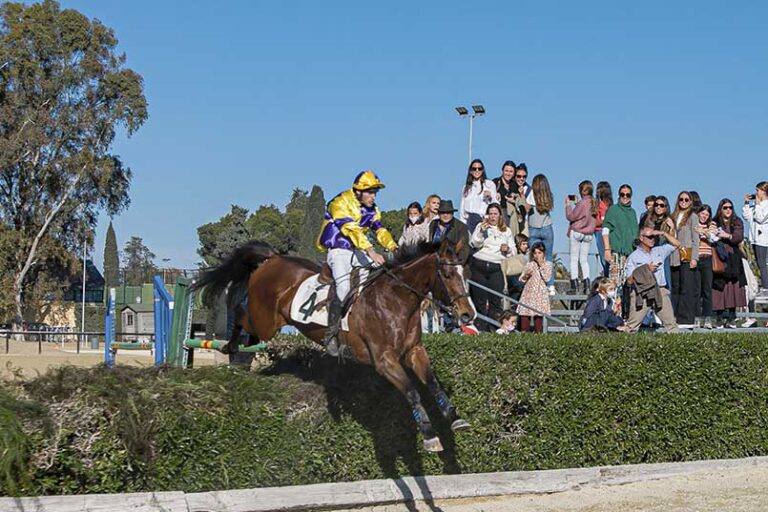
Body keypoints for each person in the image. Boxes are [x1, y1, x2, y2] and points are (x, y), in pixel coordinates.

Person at [316, 171, 397, 356]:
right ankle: (330, 335)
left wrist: (394, 247)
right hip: (338, 249)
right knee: (344, 289)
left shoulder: (372, 209)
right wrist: (371, 251)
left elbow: (380, 229)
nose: (373, 196)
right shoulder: (340, 202)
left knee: (377, 271)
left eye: (375, 192)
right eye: (369, 192)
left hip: (356, 250)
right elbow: (351, 230)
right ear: (358, 191)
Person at [624, 227, 681, 332]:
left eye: (654, 237)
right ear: (641, 238)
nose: (652, 239)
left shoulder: (660, 250)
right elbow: (629, 280)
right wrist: (645, 269)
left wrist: (663, 233)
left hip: (660, 289)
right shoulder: (633, 257)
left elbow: (677, 244)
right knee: (632, 326)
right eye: (650, 237)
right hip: (642, 292)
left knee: (671, 325)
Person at [470, 203, 515, 331]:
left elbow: (514, 251)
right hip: (479, 264)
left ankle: (493, 328)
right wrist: (481, 232)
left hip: (496, 267)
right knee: (480, 300)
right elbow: (474, 243)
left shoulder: (506, 231)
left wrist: (507, 249)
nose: (492, 216)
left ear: (500, 215)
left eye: (495, 214)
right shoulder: (481, 226)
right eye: (490, 213)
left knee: (495, 299)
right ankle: (480, 328)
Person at [602, 184, 638, 311]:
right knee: (613, 285)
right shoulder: (613, 210)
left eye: (628, 195)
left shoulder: (632, 213)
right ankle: (611, 313)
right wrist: (607, 250)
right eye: (622, 194)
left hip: (630, 255)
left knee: (627, 285)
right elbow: (605, 229)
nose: (625, 197)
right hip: (616, 253)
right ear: (619, 195)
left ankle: (624, 314)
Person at [712, 198, 747, 328]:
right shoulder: (714, 222)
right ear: (720, 209)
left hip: (734, 258)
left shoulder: (737, 222)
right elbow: (711, 235)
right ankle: (719, 318)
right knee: (718, 288)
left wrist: (726, 235)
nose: (728, 210)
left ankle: (732, 318)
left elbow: (738, 237)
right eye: (725, 207)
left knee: (733, 288)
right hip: (719, 258)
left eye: (730, 207)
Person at [669, 191, 700, 328]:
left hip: (687, 255)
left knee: (687, 287)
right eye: (681, 199)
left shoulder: (693, 217)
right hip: (674, 255)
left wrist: (694, 258)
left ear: (690, 202)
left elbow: (696, 239)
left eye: (686, 200)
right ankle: (674, 316)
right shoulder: (673, 216)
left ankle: (686, 319)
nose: (683, 202)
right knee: (676, 287)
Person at [526, 174, 556, 294]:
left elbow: (527, 207)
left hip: (533, 228)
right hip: (547, 227)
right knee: (548, 257)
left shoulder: (531, 194)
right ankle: (551, 285)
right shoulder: (548, 196)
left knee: (535, 257)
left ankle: (536, 283)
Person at [565, 180, 597, 294]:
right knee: (584, 260)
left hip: (577, 231)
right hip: (588, 234)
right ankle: (587, 284)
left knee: (574, 260)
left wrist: (568, 205)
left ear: (582, 191)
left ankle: (574, 286)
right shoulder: (594, 202)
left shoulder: (582, 203)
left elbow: (571, 216)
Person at [518, 242, 552, 333]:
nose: (537, 255)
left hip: (540, 295)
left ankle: (539, 340)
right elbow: (521, 279)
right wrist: (526, 275)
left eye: (539, 253)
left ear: (544, 253)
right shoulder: (530, 264)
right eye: (535, 253)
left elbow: (547, 278)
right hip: (528, 294)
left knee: (539, 320)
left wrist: (541, 265)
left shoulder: (548, 264)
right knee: (525, 317)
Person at [742, 181, 768, 296]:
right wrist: (747, 203)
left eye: (758, 190)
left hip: (763, 239)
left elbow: (760, 218)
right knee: (758, 263)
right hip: (754, 238)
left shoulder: (766, 205)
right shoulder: (756, 206)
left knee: (762, 264)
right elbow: (747, 217)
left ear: (764, 191)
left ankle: (766, 288)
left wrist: (757, 204)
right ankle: (763, 285)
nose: (756, 193)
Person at [459, 158, 496, 234]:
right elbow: (462, 209)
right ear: (471, 171)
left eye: (479, 168)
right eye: (474, 169)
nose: (477, 171)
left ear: (482, 170)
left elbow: (495, 204)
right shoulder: (466, 187)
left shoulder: (489, 184)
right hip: (469, 221)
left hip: (483, 220)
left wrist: (490, 197)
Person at [694, 205, 716, 329]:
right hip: (696, 259)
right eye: (702, 214)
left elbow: (713, 238)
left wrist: (704, 232)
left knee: (707, 290)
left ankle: (708, 318)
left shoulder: (711, 225)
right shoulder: (694, 223)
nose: (704, 217)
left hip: (707, 259)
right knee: (696, 290)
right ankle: (696, 317)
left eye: (707, 215)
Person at [594, 181, 613, 277]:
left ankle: (608, 277)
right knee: (603, 258)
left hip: (602, 231)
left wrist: (593, 223)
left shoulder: (605, 205)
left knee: (605, 258)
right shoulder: (598, 203)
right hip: (597, 232)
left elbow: (605, 221)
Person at [493, 160, 516, 225]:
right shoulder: (495, 182)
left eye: (511, 171)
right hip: (500, 216)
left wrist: (514, 201)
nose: (508, 173)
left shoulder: (515, 185)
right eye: (506, 171)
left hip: (512, 217)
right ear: (502, 171)